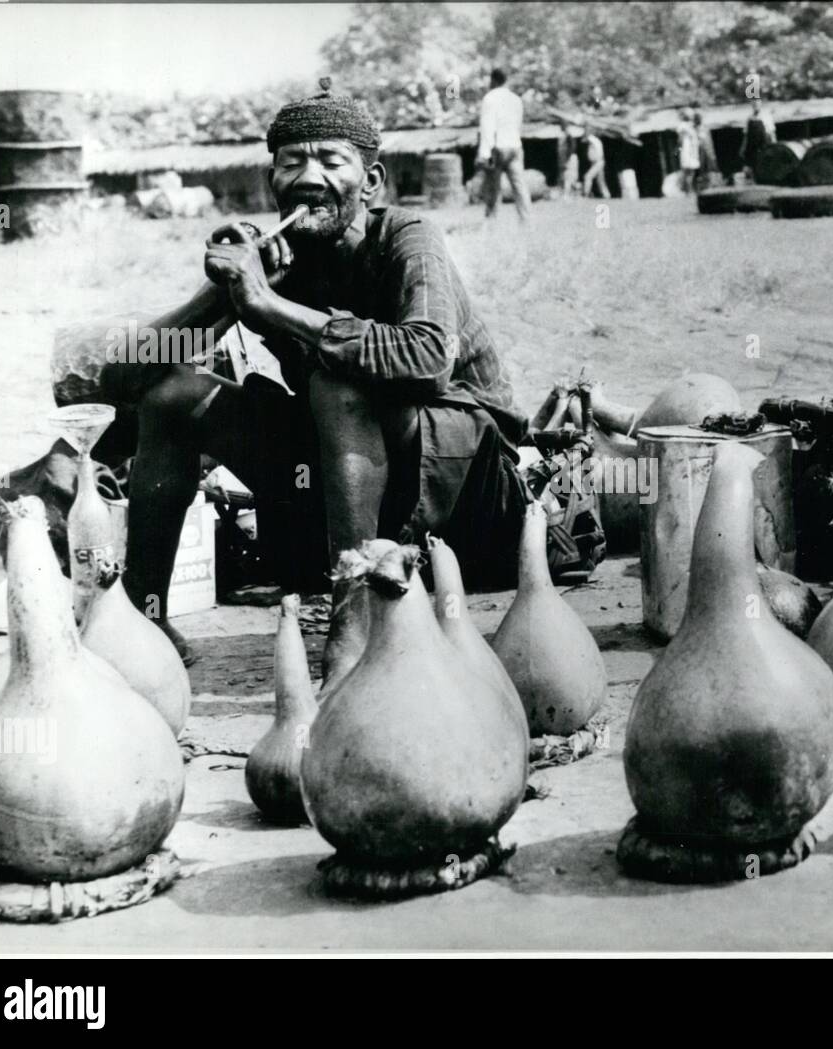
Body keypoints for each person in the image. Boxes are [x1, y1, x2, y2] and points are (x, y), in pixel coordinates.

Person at [107, 82, 528, 662]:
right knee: (175, 395)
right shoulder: (278, 261)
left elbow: (429, 359)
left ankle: (352, 628)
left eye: (332, 161)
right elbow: (124, 382)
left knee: (338, 381)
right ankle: (141, 619)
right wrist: (226, 295)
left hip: (465, 495)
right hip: (339, 488)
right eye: (291, 164)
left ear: (371, 182)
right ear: (271, 183)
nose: (309, 177)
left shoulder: (408, 237)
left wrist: (273, 309)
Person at [477, 68, 531, 221]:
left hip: (498, 147)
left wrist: (484, 153)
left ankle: (491, 220)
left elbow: (487, 127)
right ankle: (526, 220)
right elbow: (518, 124)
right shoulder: (515, 99)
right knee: (519, 186)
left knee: (493, 186)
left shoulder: (490, 98)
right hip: (515, 146)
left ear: (493, 80)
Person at [739, 99, 776, 180]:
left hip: (763, 143)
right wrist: (743, 147)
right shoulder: (749, 118)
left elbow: (772, 132)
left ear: (760, 105)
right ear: (752, 106)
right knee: (752, 163)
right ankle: (754, 179)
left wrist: (774, 145)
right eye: (754, 104)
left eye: (757, 104)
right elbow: (746, 135)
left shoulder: (766, 116)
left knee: (764, 161)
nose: (756, 106)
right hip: (752, 145)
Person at [676, 109, 700, 194]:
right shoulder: (683, 126)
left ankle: (690, 190)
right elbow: (681, 139)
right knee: (688, 171)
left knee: (691, 171)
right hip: (687, 149)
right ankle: (687, 190)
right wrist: (679, 149)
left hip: (692, 149)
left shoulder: (690, 125)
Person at [581, 131, 609, 199]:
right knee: (600, 181)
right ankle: (606, 195)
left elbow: (584, 140)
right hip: (598, 162)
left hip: (597, 162)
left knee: (588, 177)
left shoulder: (595, 141)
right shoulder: (595, 141)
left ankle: (586, 194)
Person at [557, 119, 580, 196]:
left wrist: (568, 157)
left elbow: (572, 147)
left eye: (562, 125)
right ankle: (568, 192)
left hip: (569, 158)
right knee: (565, 176)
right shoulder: (562, 135)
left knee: (569, 176)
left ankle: (568, 193)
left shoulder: (569, 135)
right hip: (564, 158)